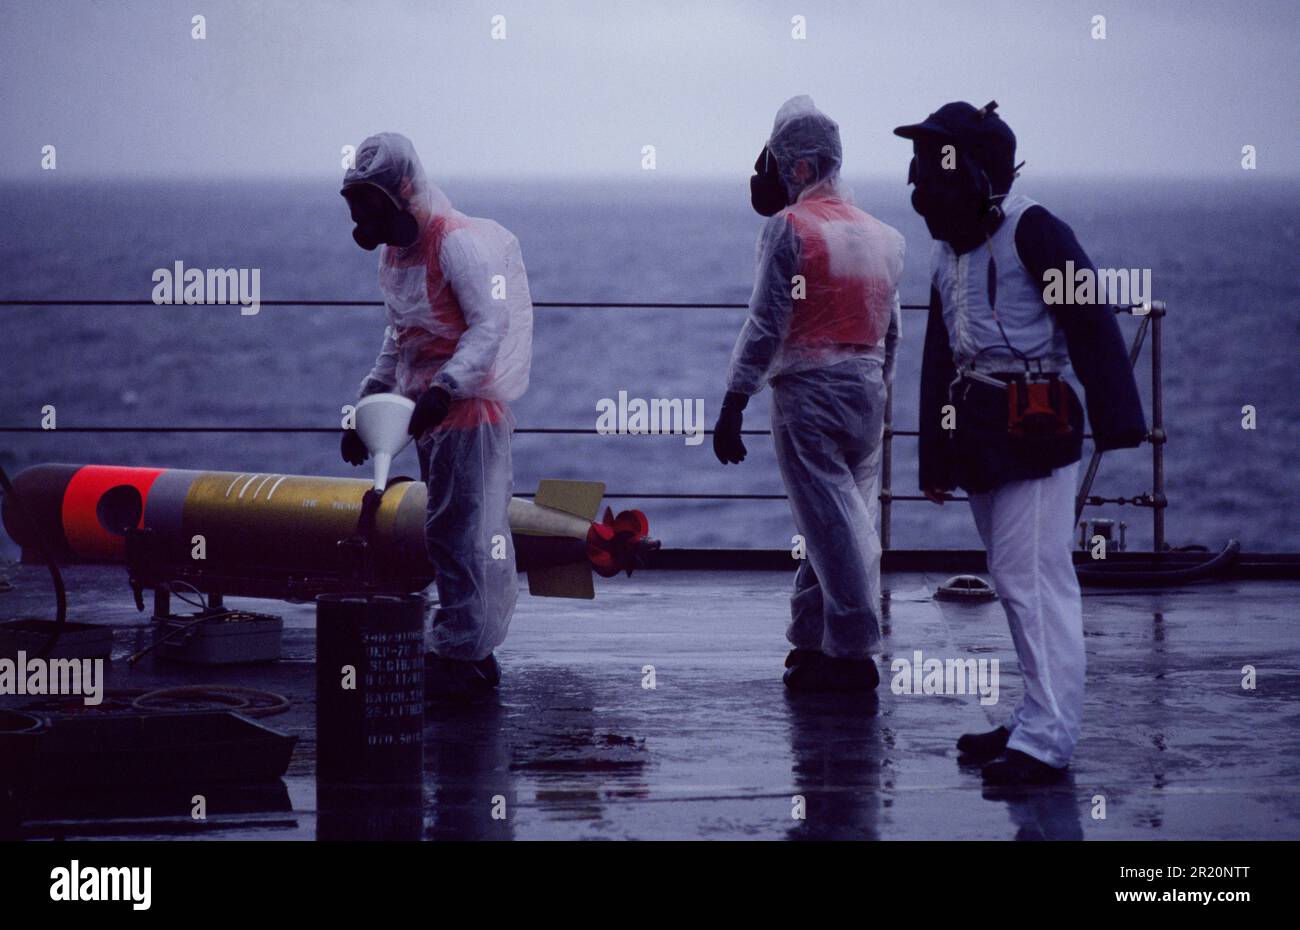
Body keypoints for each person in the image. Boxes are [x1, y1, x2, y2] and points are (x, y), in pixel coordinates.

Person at [895, 102, 1145, 785]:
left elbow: (1087, 316)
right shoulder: (952, 251)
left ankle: (1048, 737)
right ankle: (1038, 713)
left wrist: (1120, 419)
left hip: (1034, 430)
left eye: (939, 164)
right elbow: (941, 356)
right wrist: (937, 456)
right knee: (1016, 582)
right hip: (980, 432)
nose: (926, 184)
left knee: (1033, 581)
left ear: (981, 172)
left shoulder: (1033, 230)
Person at [714, 96, 905, 693]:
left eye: (771, 161)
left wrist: (733, 399)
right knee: (834, 521)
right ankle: (812, 638)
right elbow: (891, 327)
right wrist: (878, 386)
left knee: (830, 523)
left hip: (808, 396)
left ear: (796, 167)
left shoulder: (788, 229)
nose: (761, 175)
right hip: (867, 393)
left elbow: (767, 323)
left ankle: (852, 653)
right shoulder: (882, 235)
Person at [338, 132, 533, 699]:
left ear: (402, 190)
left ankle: (468, 652)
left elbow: (488, 326)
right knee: (447, 533)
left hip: (468, 415)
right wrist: (366, 411)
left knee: (467, 536)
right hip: (433, 418)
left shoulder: (455, 244)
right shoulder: (396, 256)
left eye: (373, 202)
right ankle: (462, 645)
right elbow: (400, 340)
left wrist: (447, 388)